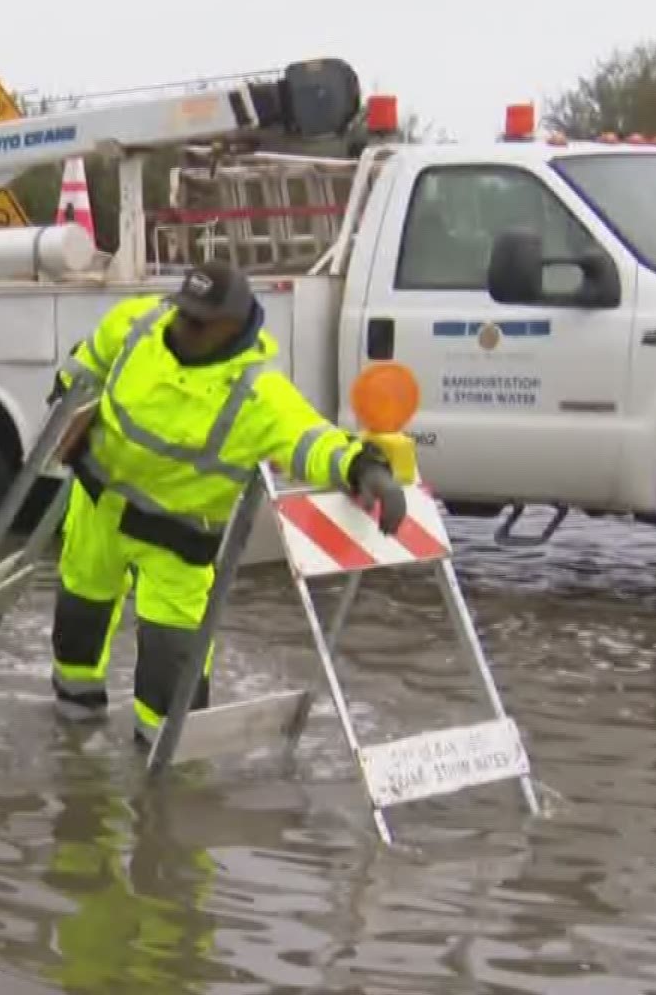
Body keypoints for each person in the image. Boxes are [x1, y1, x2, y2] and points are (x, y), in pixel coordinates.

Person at [45, 261, 408, 746]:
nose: (182, 326)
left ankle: (161, 793)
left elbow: (313, 442)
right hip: (96, 512)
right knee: (77, 631)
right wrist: (67, 391)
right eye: (182, 312)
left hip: (174, 544)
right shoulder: (140, 322)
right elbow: (91, 357)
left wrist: (366, 469)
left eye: (199, 321)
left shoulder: (259, 394)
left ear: (232, 325)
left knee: (170, 679)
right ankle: (73, 743)